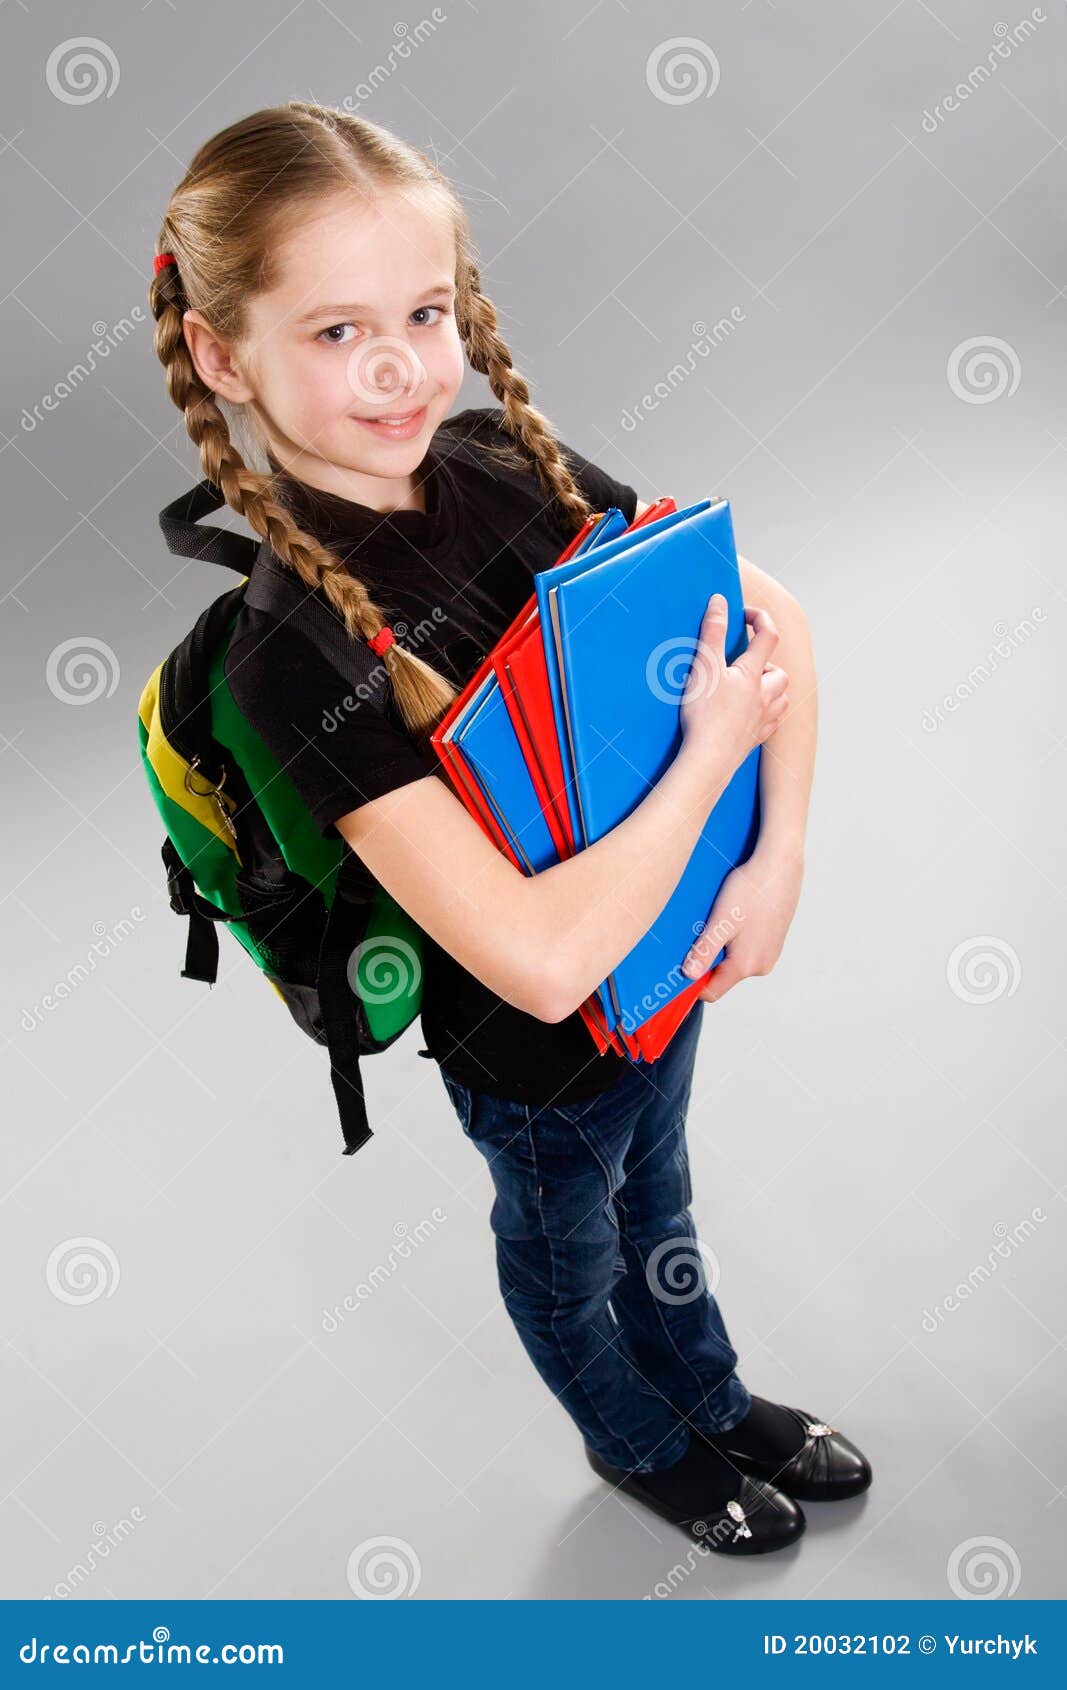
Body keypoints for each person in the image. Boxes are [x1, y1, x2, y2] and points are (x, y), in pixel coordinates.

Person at [148, 101, 871, 1558]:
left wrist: (778, 854)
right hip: (529, 1049)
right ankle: (642, 1442)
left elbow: (767, 613)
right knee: (570, 1243)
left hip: (662, 969)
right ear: (226, 355)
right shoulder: (290, 660)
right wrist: (716, 761)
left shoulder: (495, 465)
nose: (403, 364)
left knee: (662, 1192)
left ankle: (715, 1394)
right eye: (337, 330)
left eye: (423, 308)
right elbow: (537, 963)